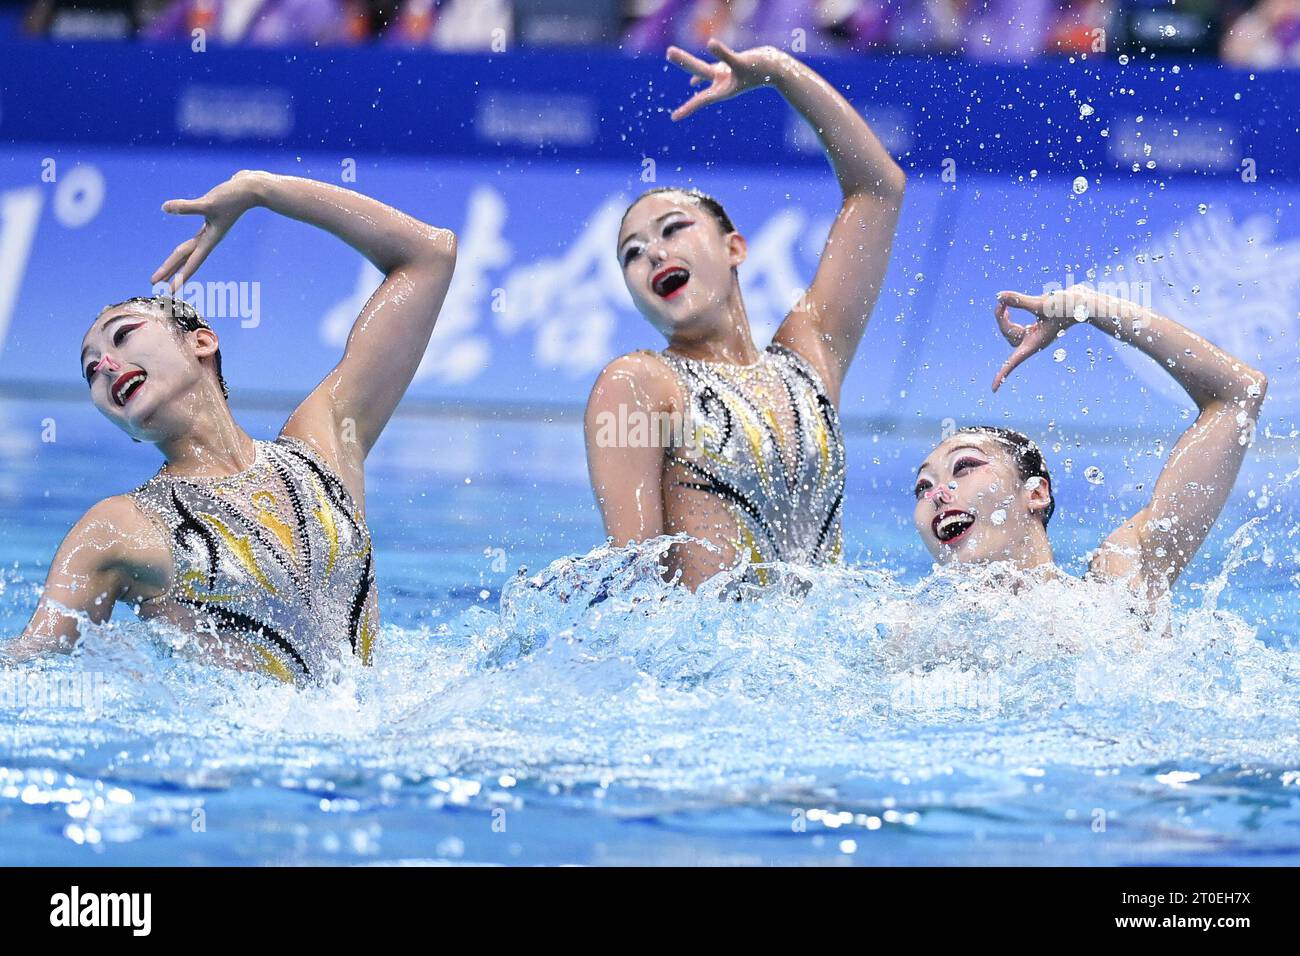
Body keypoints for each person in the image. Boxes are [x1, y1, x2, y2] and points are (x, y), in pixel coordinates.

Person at [2, 171, 457, 683]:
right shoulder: (115, 529)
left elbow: (429, 255)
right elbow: (30, 664)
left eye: (124, 336)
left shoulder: (324, 446)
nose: (106, 366)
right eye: (90, 371)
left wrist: (262, 190)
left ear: (201, 342)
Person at [586, 38, 905, 589]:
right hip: (706, 670)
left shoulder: (810, 357)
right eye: (631, 255)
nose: (654, 254)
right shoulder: (638, 384)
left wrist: (781, 73)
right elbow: (633, 583)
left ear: (735, 247)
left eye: (672, 229)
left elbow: (878, 189)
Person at [912, 284, 1267, 605]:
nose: (939, 493)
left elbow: (1238, 392)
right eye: (922, 487)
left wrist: (1086, 306)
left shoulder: (1117, 590)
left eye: (965, 466)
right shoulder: (916, 639)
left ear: (1036, 493)